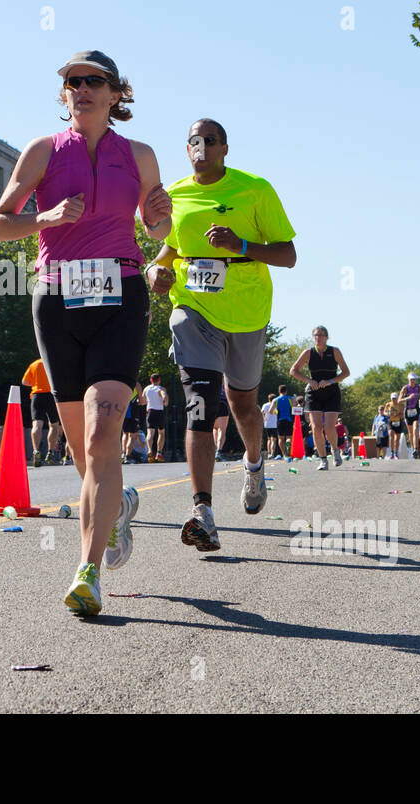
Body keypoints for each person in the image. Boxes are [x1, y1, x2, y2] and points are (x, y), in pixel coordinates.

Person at [0, 50, 171, 616]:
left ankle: (87, 572)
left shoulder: (138, 155)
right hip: (57, 299)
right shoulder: (42, 151)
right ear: (63, 93)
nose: (82, 89)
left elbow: (158, 224)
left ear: (116, 93)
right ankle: (117, 507)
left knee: (100, 439)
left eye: (94, 81)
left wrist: (161, 219)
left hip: (120, 295)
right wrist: (45, 219)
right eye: (73, 81)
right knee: (82, 454)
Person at [146, 117, 296, 553]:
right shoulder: (174, 196)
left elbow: (288, 255)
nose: (202, 147)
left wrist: (242, 247)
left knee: (243, 405)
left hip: (247, 312)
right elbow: (169, 249)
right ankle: (203, 513)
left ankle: (253, 464)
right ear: (186, 148)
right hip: (192, 309)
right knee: (200, 405)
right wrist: (156, 269)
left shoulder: (255, 189)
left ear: (225, 148)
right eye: (195, 140)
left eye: (210, 141)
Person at [290, 327, 351, 470]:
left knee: (329, 427)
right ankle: (323, 460)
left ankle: (335, 450)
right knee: (316, 427)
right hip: (314, 392)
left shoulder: (334, 351)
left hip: (331, 392)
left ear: (327, 337)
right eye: (316, 335)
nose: (318, 338)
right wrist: (309, 381)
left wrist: (329, 381)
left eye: (321, 335)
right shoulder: (308, 353)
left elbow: (346, 372)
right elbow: (293, 370)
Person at [22, 357, 62, 467]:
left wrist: (36, 382)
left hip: (37, 396)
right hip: (51, 395)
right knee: (53, 425)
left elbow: (24, 382)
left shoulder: (34, 364)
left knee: (37, 423)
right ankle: (50, 453)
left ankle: (36, 451)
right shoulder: (53, 363)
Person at [141, 373, 169, 461]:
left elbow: (142, 401)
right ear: (159, 380)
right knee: (161, 432)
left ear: (151, 380)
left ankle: (149, 451)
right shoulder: (160, 388)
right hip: (159, 411)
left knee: (150, 433)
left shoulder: (146, 389)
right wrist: (165, 401)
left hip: (150, 411)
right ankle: (159, 453)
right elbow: (164, 395)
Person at [398, 373, 420, 458]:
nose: (413, 381)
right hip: (408, 411)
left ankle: (416, 449)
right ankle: (413, 448)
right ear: (408, 380)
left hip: (416, 410)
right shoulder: (405, 388)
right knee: (410, 432)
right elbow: (399, 400)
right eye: (411, 380)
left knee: (416, 428)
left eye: (414, 379)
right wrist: (408, 398)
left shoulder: (418, 387)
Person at [386, 392, 406, 458]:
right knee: (391, 436)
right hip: (391, 422)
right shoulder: (388, 404)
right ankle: (391, 452)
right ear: (391, 398)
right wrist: (389, 414)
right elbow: (384, 412)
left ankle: (396, 453)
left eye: (395, 398)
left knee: (397, 439)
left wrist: (396, 415)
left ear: (397, 398)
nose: (394, 400)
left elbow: (402, 415)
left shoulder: (401, 405)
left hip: (398, 422)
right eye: (392, 398)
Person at [276, 384, 294, 458]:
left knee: (280, 438)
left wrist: (276, 412)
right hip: (289, 420)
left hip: (280, 420)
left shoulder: (275, 400)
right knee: (289, 438)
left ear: (279, 391)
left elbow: (270, 411)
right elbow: (295, 407)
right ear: (286, 391)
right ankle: (288, 453)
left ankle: (284, 454)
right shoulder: (291, 399)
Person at [262, 393, 281, 458]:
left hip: (267, 424)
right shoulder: (275, 405)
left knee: (269, 439)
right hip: (274, 424)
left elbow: (262, 413)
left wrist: (263, 419)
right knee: (274, 440)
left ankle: (268, 453)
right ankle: (272, 454)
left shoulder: (265, 405)